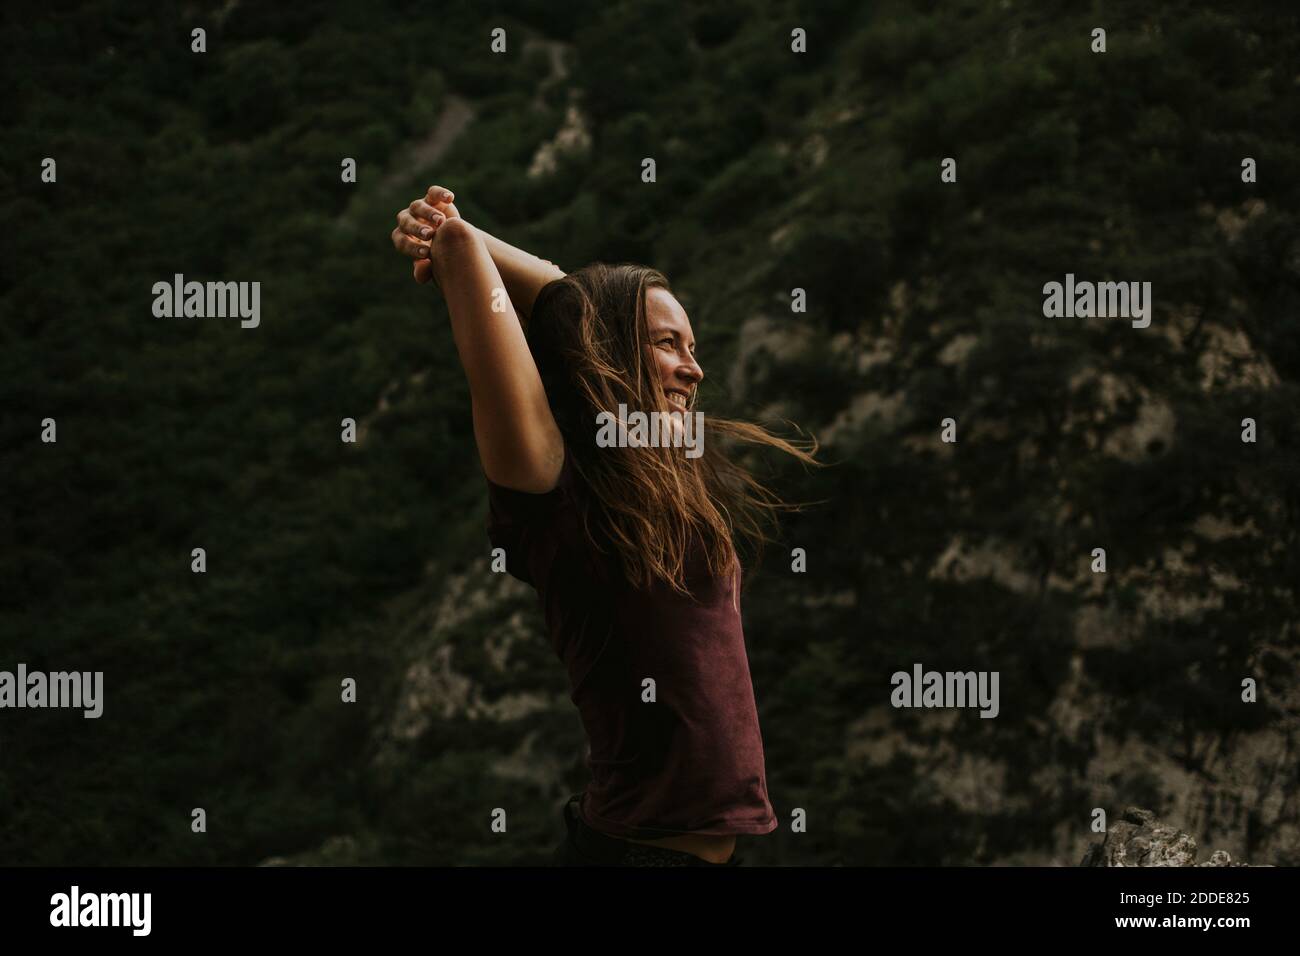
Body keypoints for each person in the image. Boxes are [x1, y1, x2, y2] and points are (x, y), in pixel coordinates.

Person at [390, 185, 820, 866]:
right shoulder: (552, 483)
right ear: (611, 355)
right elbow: (522, 286)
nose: (696, 367)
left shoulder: (662, 477)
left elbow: (561, 290)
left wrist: (452, 223)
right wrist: (449, 237)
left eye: (693, 346)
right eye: (668, 345)